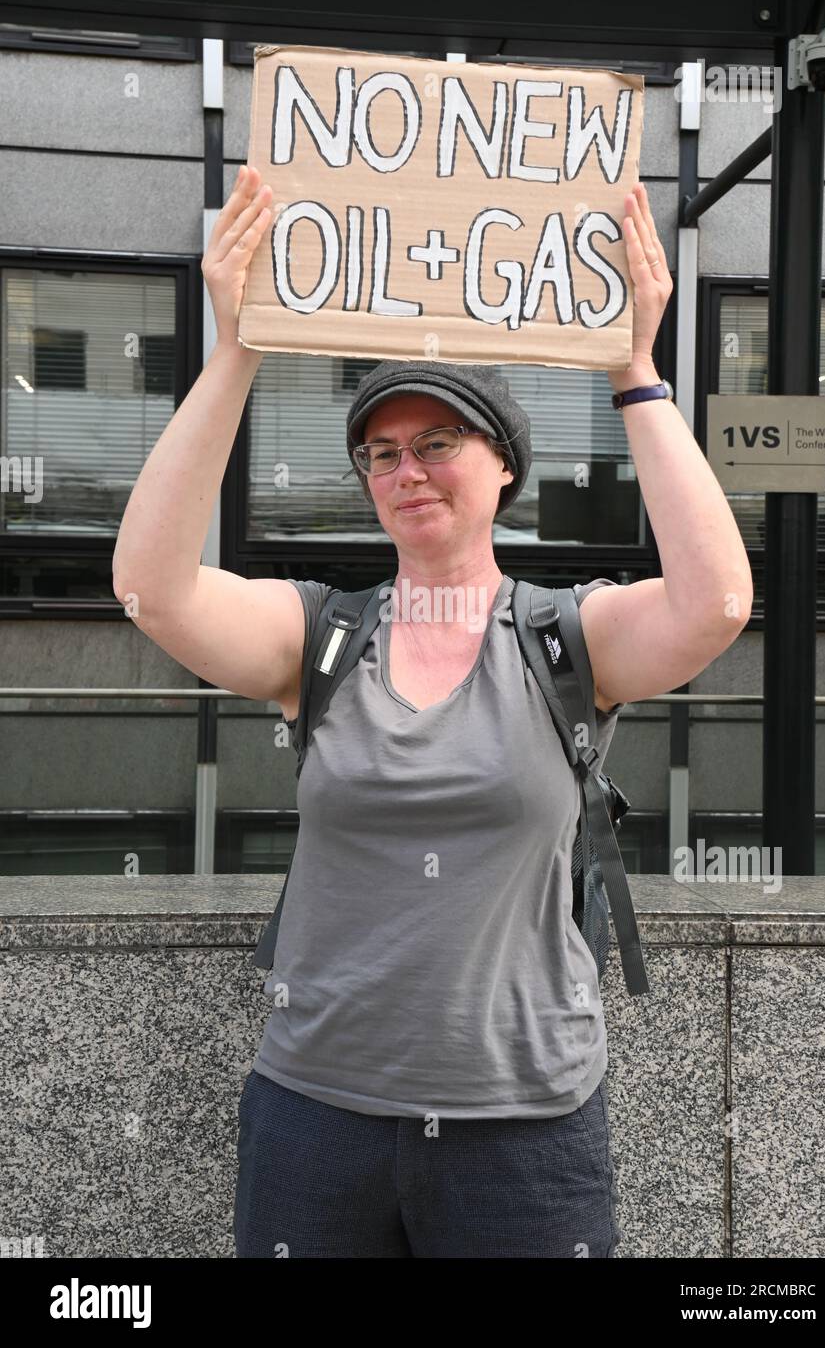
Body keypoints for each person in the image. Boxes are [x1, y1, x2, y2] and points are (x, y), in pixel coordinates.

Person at [112, 164, 753, 1259]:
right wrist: (239, 350)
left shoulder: (566, 637)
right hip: (317, 1113)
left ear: (502, 464)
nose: (406, 469)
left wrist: (632, 371)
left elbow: (715, 604)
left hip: (523, 1131)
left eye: (437, 443)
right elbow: (151, 588)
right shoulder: (319, 634)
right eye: (381, 452)